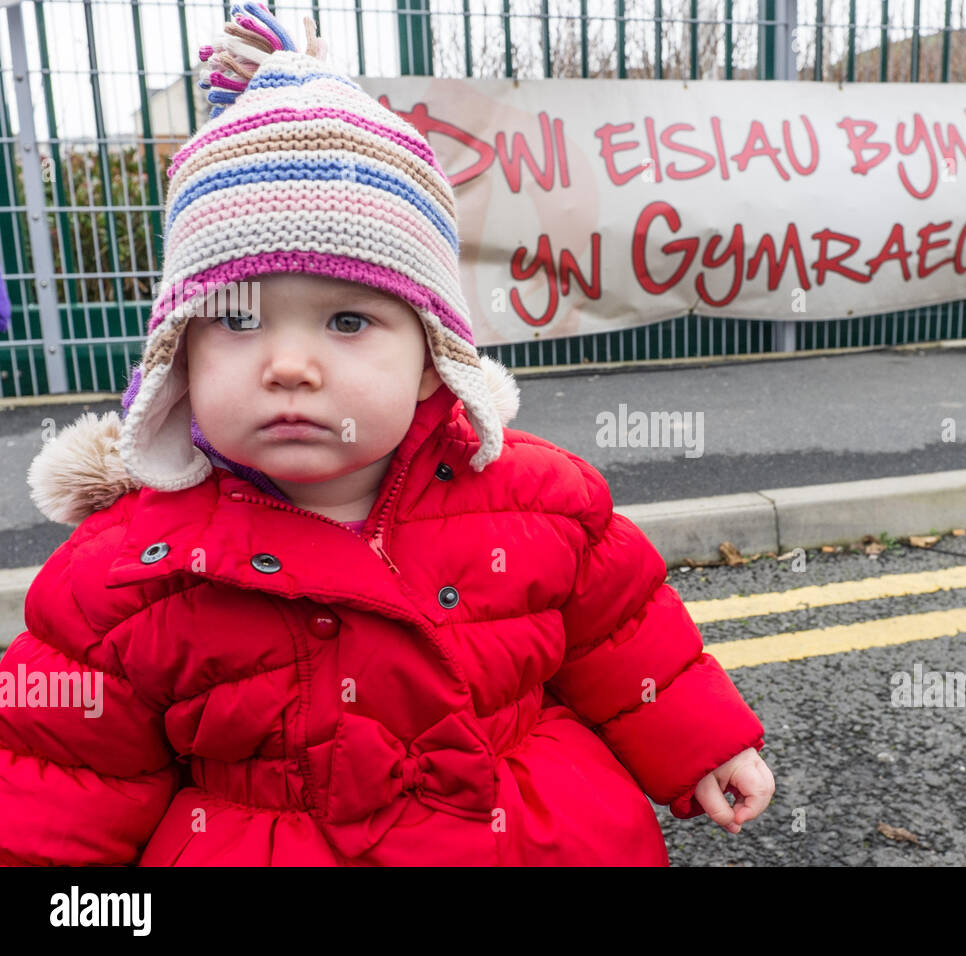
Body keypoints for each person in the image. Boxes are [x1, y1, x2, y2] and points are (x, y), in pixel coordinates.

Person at [0, 1, 771, 866]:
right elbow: (60, 779)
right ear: (178, 353)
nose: (289, 365)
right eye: (238, 321)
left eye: (349, 321)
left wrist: (702, 741)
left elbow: (622, 637)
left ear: (434, 358)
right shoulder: (122, 577)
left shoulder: (538, 501)